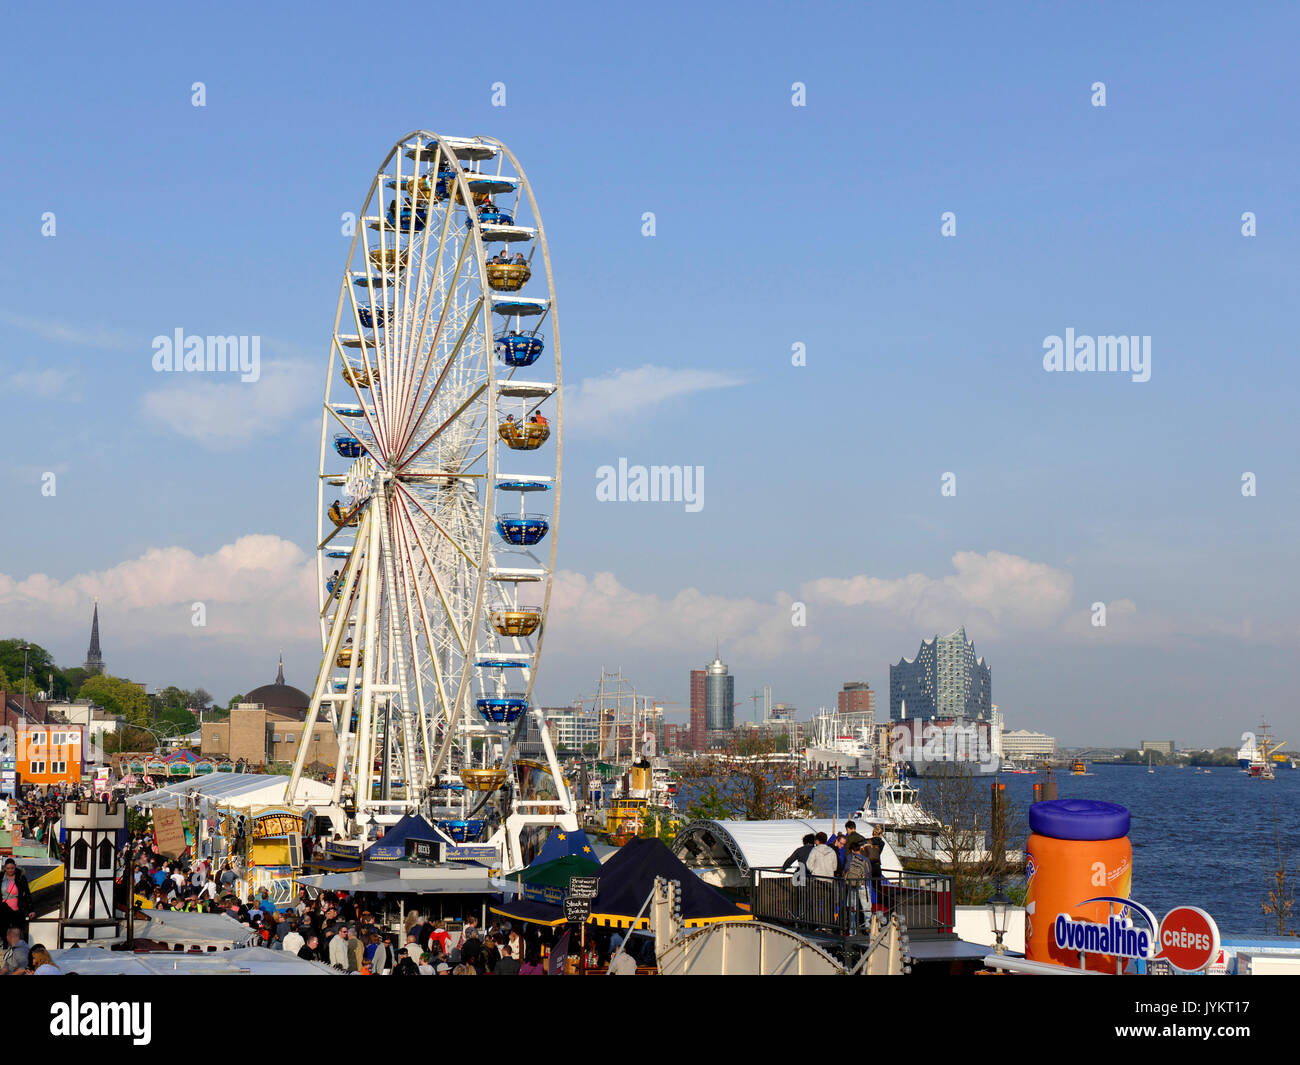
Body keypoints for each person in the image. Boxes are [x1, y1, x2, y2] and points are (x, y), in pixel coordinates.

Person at [1, 859, 33, 937]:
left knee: (16, 934)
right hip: (3, 910)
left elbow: (27, 894)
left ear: (15, 867)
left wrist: (31, 910)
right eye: (8, 868)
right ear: (5, 868)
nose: (10, 870)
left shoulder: (21, 878)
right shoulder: (1, 878)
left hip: (17, 911)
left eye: (12, 868)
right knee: (4, 934)